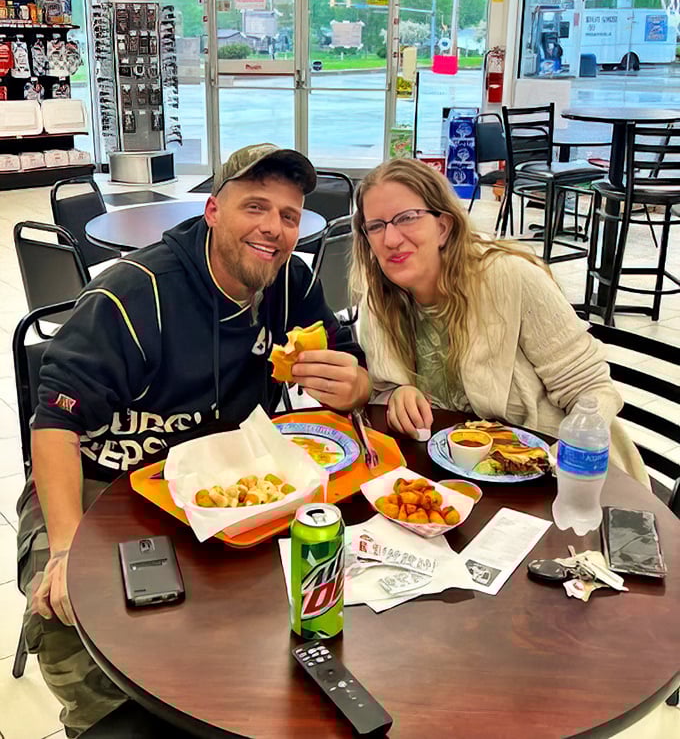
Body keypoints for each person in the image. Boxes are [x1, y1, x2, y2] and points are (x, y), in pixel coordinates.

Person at [16, 143, 369, 737]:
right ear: (212, 211)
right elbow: (54, 422)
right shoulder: (133, 295)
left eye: (289, 215)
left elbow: (345, 363)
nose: (274, 229)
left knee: (286, 623)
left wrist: (354, 384)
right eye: (254, 207)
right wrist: (66, 545)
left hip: (226, 483)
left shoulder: (290, 284)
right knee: (71, 613)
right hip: (101, 486)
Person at [349, 157, 649, 487]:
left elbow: (592, 392)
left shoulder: (510, 277)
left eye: (407, 218)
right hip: (457, 480)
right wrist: (397, 395)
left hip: (560, 478)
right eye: (376, 226)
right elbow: (383, 391)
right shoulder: (378, 301)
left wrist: (564, 463)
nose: (390, 239)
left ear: (443, 226)